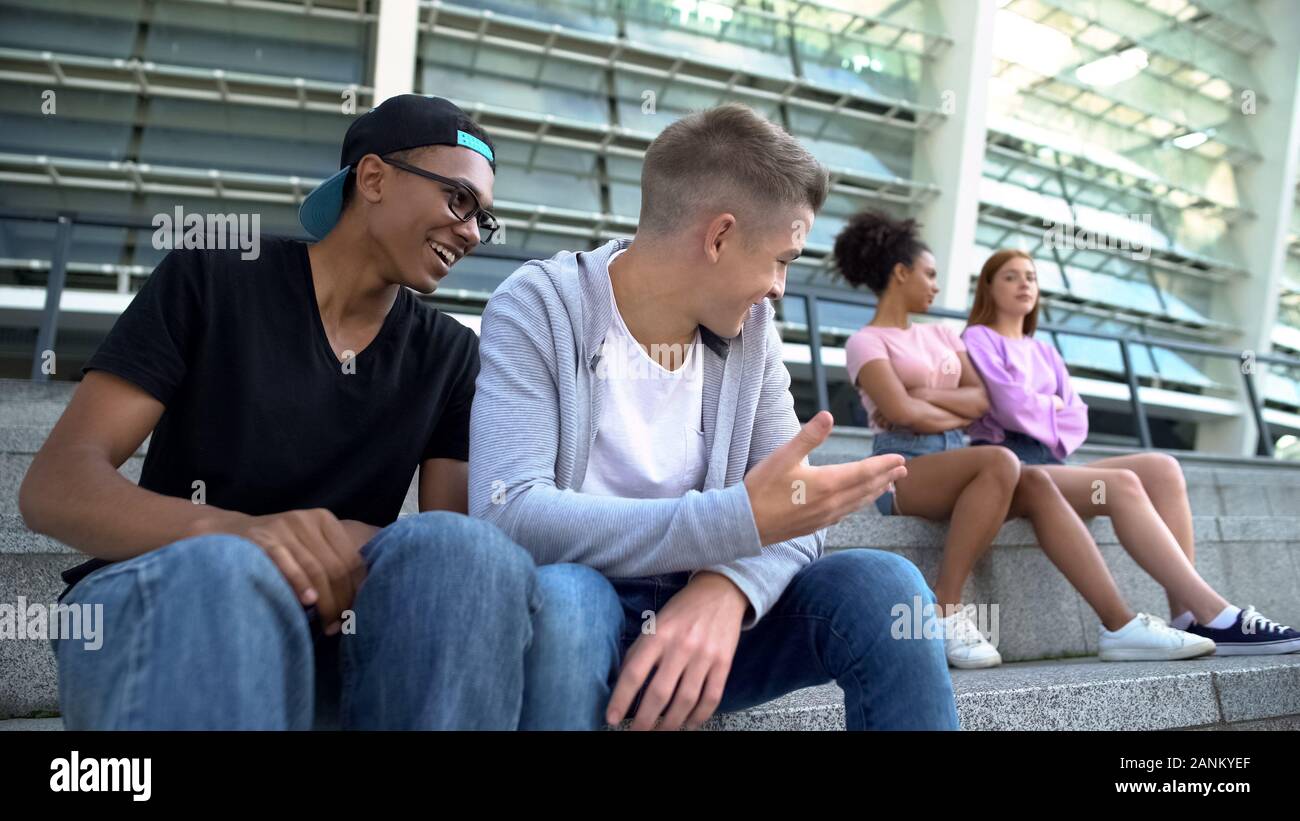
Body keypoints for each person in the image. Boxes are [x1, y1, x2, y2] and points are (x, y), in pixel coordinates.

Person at [20, 95, 575, 729]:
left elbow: (451, 547)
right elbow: (56, 487)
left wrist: (370, 546)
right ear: (373, 179)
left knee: (470, 556)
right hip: (174, 599)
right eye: (459, 201)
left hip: (333, 633)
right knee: (226, 573)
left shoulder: (451, 356)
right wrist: (239, 534)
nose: (473, 232)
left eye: (484, 219)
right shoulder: (212, 279)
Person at [469, 104, 958, 730]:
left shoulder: (753, 331)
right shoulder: (539, 304)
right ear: (719, 236)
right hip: (573, 612)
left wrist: (727, 587)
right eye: (783, 258)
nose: (781, 286)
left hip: (707, 627)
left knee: (886, 586)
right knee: (569, 600)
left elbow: (793, 517)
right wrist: (735, 522)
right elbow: (508, 511)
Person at [839, 210, 1217, 665]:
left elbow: (978, 401)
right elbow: (899, 413)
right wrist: (936, 408)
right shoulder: (865, 342)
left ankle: (1120, 625)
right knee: (1000, 460)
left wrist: (922, 400)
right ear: (901, 274)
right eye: (930, 274)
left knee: (1035, 482)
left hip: (957, 459)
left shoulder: (941, 334)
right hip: (902, 468)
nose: (936, 286)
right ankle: (943, 610)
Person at [963, 248, 1300, 656]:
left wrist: (1040, 408)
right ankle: (1217, 613)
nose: (1024, 285)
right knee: (1119, 484)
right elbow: (1008, 408)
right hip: (1009, 466)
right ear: (989, 287)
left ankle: (1186, 615)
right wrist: (1049, 406)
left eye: (1031, 277)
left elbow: (1077, 420)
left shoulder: (1044, 351)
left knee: (1161, 468)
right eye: (1011, 277)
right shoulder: (977, 338)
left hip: (1053, 461)